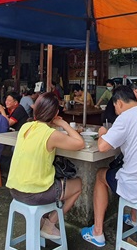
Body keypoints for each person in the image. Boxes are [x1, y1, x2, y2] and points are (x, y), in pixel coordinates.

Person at [81, 85, 137, 247]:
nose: (115, 110)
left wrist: (102, 132)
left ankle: (97, 232)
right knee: (136, 167)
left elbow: (102, 147)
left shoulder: (125, 117)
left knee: (101, 174)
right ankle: (134, 218)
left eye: (115, 106)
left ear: (119, 103)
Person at [6, 93, 84, 239]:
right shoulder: (51, 134)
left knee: (53, 180)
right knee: (78, 185)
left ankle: (42, 220)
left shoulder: (25, 127)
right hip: (34, 193)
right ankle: (49, 224)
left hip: (14, 190)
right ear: (55, 113)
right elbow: (80, 143)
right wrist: (63, 123)